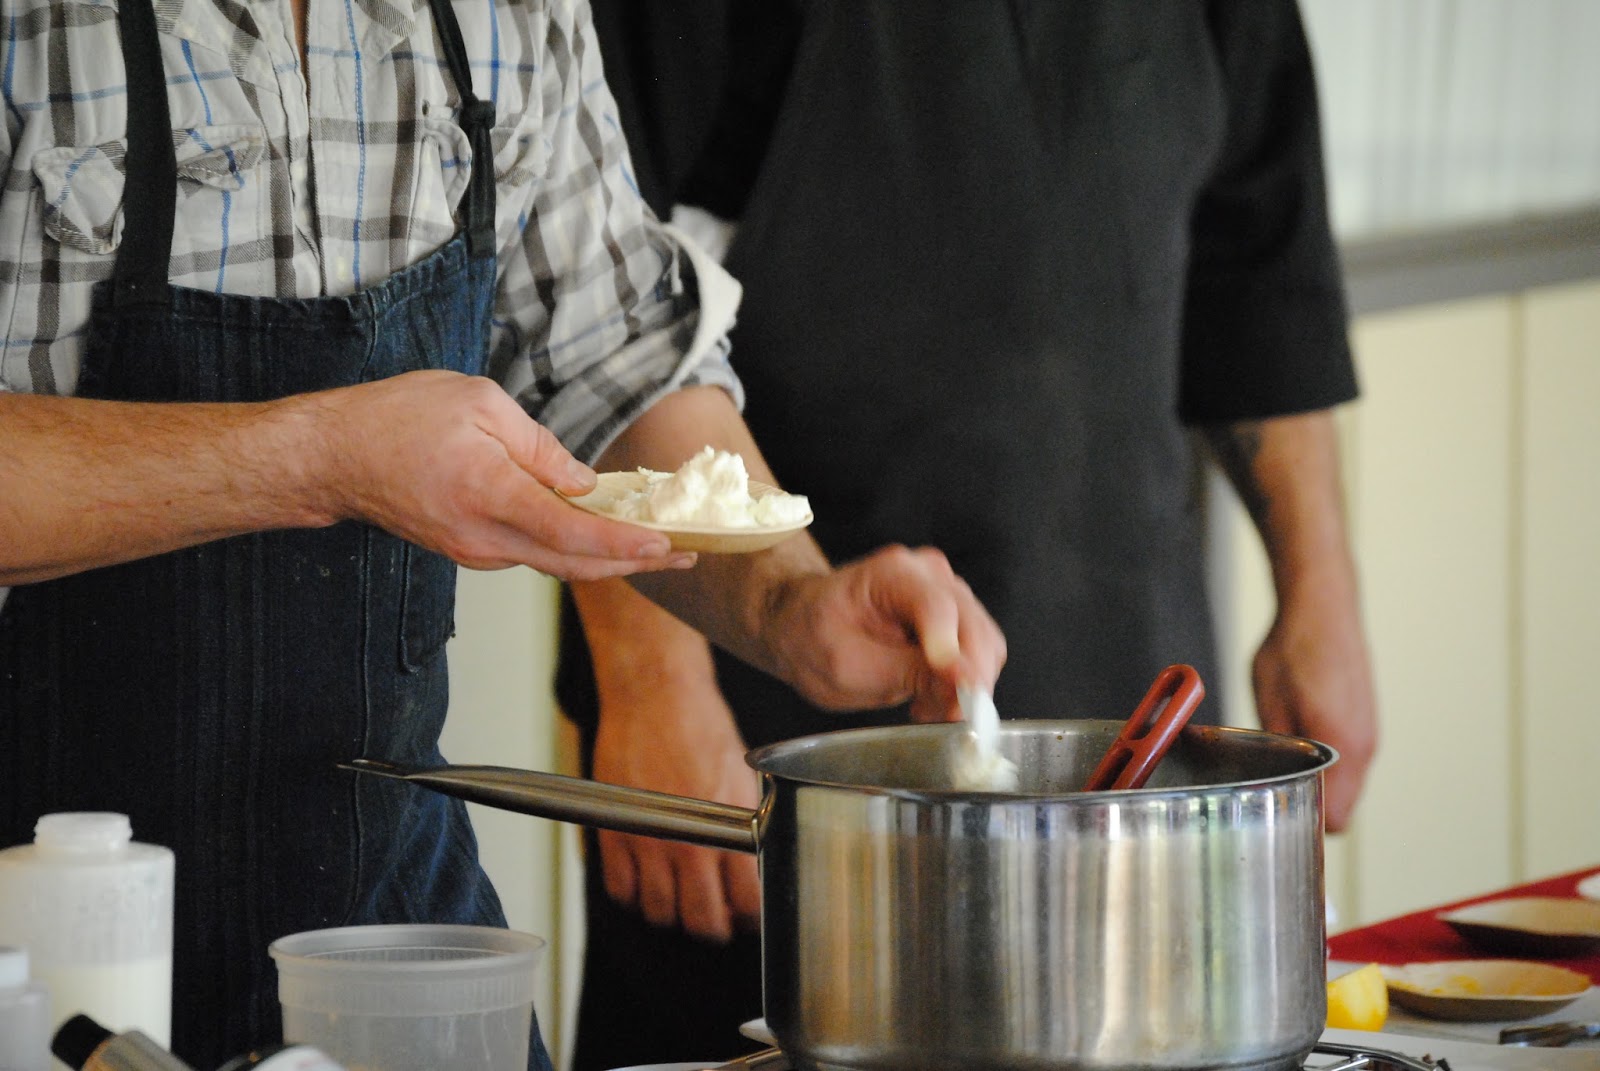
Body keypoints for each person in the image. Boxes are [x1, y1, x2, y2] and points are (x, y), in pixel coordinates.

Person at [0, 0, 1005, 1067]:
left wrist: (785, 599)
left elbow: (610, 357)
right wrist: (318, 457)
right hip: (37, 952)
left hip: (393, 929)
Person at [559, 1, 1381, 1067]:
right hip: (783, 728)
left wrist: (1321, 596)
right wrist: (650, 680)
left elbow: (1259, 275)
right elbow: (596, 312)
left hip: (1127, 668)